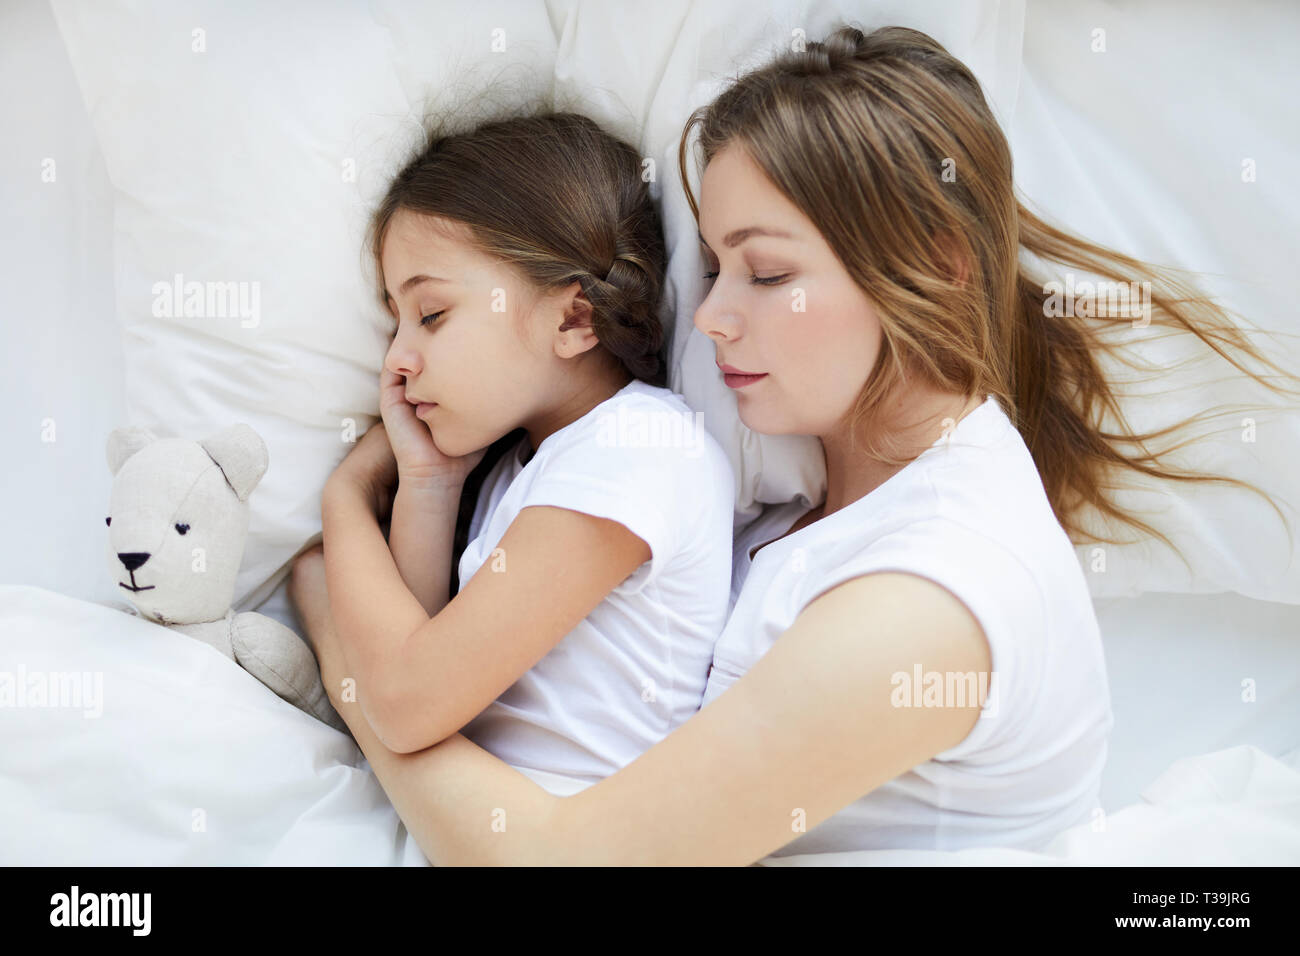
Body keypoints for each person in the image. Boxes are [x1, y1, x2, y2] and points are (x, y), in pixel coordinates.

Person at [291, 24, 1297, 865]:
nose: (714, 318)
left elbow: (557, 860)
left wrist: (351, 652)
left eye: (765, 275)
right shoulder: (808, 487)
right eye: (716, 267)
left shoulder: (920, 607)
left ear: (937, 267)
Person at [301, 112, 736, 799]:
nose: (397, 360)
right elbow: (404, 649)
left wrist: (345, 499)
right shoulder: (524, 467)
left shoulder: (639, 449)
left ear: (573, 318)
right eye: (394, 322)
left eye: (432, 314)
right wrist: (428, 482)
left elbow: (404, 702)